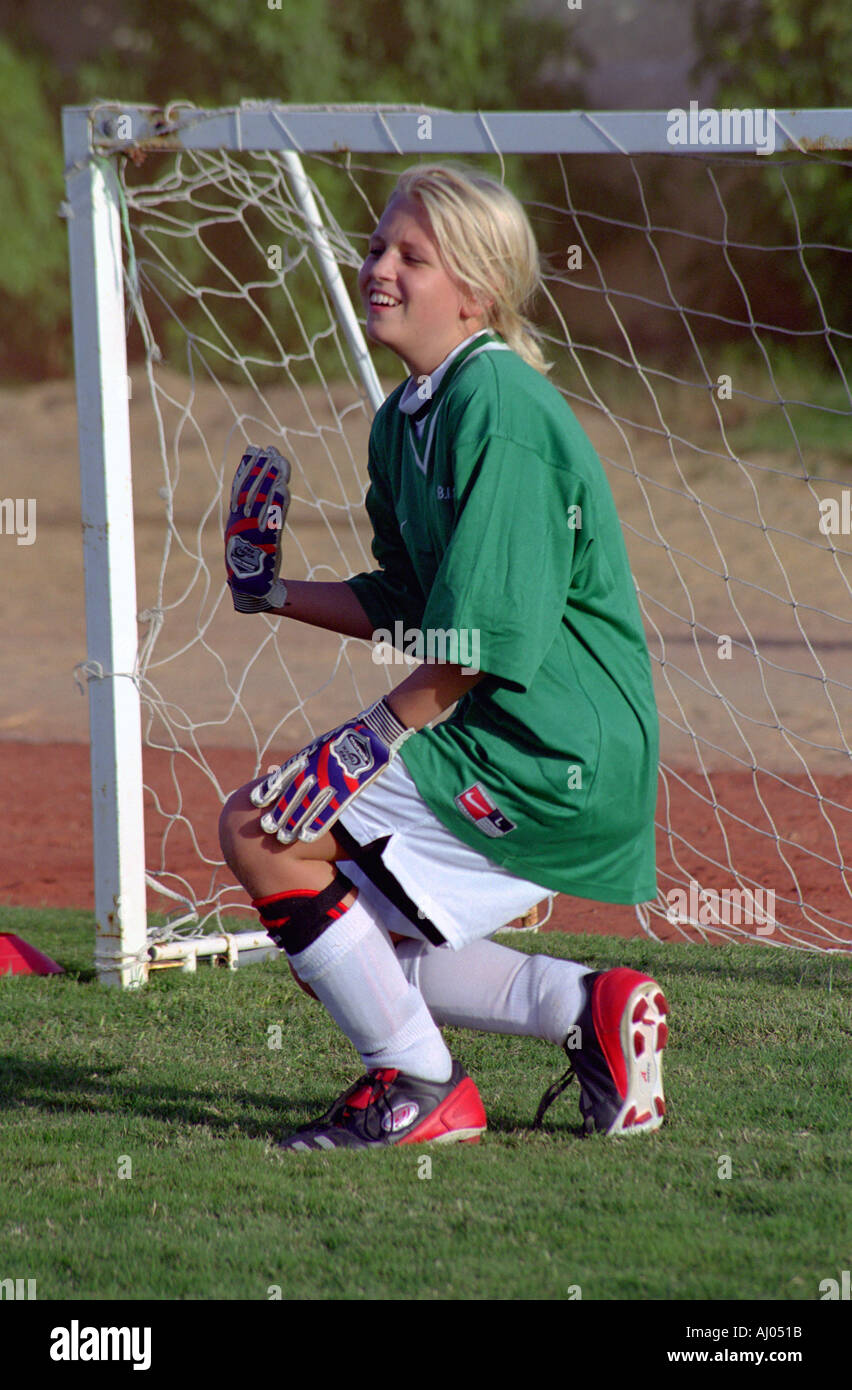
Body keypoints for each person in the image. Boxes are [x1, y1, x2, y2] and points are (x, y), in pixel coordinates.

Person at [219, 163, 668, 1151]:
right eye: (379, 246)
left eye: (410, 256)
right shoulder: (406, 417)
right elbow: (417, 606)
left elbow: (480, 639)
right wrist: (274, 593)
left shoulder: (497, 408)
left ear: (475, 291)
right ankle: (590, 1005)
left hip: (556, 751)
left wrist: (370, 736)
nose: (379, 267)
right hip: (509, 737)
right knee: (357, 936)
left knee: (260, 829)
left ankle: (420, 1087)